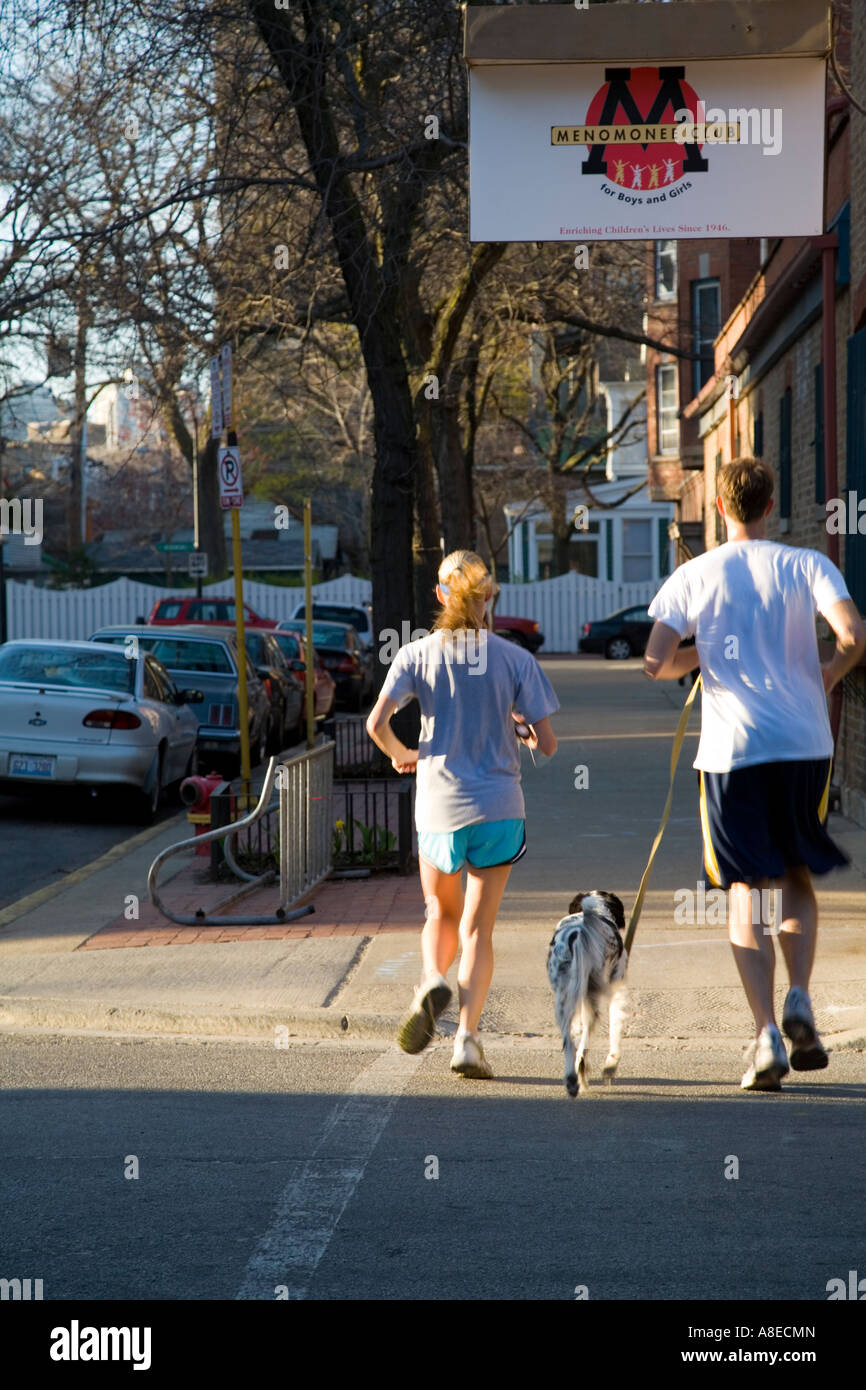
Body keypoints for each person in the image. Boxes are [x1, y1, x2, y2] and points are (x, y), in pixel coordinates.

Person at [644, 458, 866, 1091]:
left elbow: (655, 663)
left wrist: (703, 652)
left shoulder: (695, 574)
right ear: (770, 506)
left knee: (745, 889)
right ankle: (800, 995)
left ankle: (766, 1035)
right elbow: (853, 634)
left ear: (719, 508)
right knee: (796, 875)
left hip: (731, 754)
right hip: (803, 744)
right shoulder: (807, 566)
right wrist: (828, 672)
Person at [366, 550, 559, 1078]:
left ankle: (432, 976)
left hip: (439, 807)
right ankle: (469, 1041)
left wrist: (400, 754)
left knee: (439, 913)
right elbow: (547, 744)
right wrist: (519, 725)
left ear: (440, 595)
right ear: (487, 598)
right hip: (498, 808)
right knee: (478, 929)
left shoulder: (417, 655)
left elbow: (376, 723)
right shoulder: (515, 659)